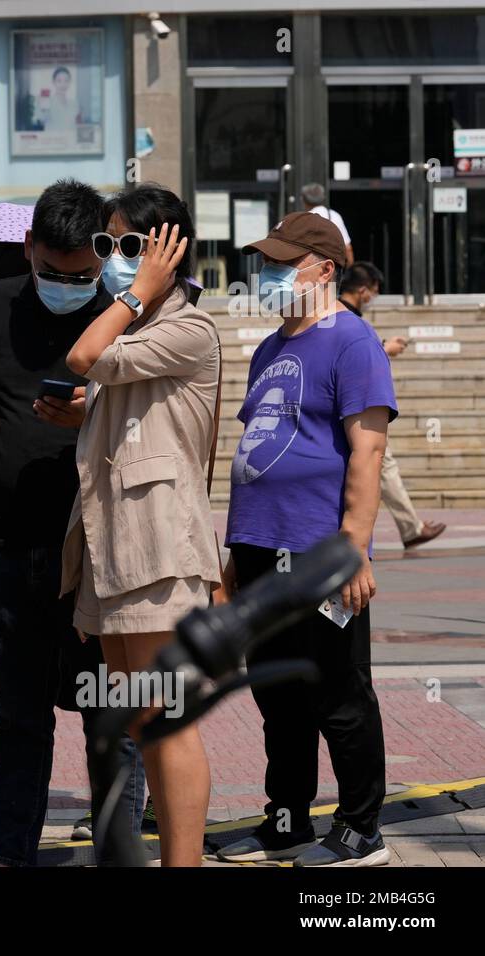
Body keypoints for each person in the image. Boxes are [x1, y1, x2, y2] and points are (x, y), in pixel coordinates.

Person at [0, 179, 146, 866]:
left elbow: (166, 421)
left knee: (108, 719)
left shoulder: (127, 312)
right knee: (19, 721)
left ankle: (119, 850)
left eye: (81, 275)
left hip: (99, 549)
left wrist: (95, 413)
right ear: (28, 248)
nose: (66, 285)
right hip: (9, 543)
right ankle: (12, 853)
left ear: (100, 256)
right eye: (51, 273)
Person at [217, 213, 395, 866]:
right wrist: (238, 551)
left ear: (324, 268)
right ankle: (286, 821)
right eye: (264, 263)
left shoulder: (352, 341)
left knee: (338, 694)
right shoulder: (271, 347)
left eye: (280, 263)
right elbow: (260, 448)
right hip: (262, 549)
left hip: (320, 550)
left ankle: (360, 831)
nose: (265, 275)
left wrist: (354, 546)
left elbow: (368, 451)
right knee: (277, 696)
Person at [61, 185, 223, 867]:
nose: (116, 261)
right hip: (116, 549)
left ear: (170, 250)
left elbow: (82, 358)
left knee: (168, 724)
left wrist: (134, 294)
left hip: (159, 548)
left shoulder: (186, 328)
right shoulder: (137, 327)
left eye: (131, 246)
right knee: (145, 723)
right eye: (108, 247)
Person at [339, 262, 446, 550]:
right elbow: (347, 355)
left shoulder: (344, 317)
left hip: (355, 410)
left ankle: (410, 527)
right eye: (373, 291)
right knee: (380, 462)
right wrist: (385, 349)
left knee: (383, 463)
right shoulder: (347, 319)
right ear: (362, 291)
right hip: (354, 411)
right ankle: (404, 530)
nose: (373, 297)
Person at [302, 182, 354, 267]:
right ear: (323, 198)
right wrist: (350, 271)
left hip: (312, 268)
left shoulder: (304, 219)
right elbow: (348, 248)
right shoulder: (335, 215)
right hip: (332, 267)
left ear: (304, 200)